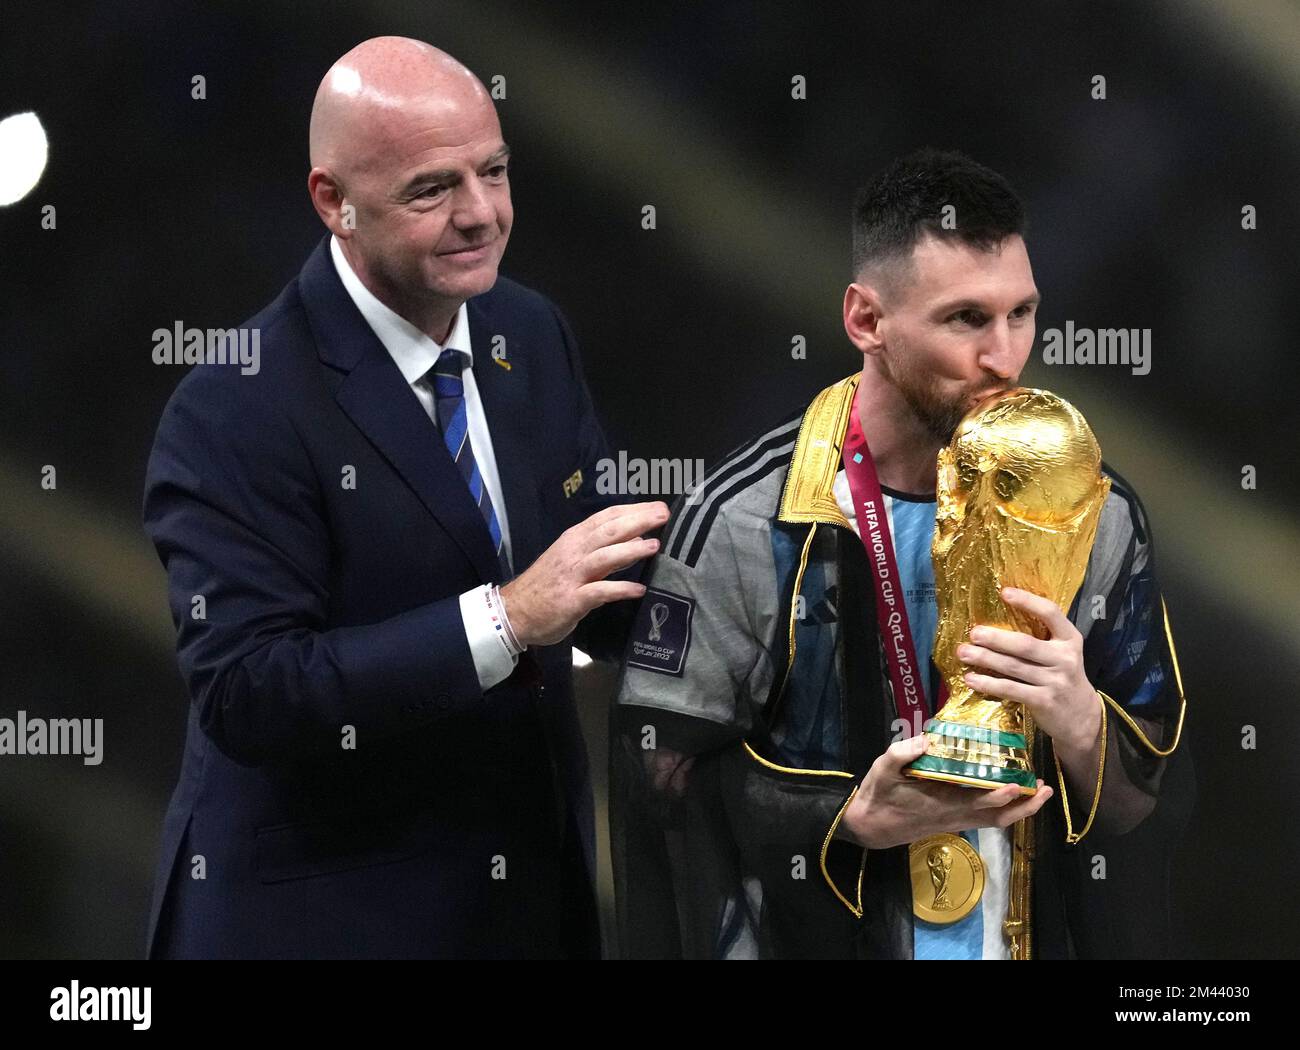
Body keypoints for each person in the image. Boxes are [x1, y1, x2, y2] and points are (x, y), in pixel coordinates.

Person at [142, 36, 666, 959]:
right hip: (325, 927)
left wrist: (787, 608)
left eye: (495, 171)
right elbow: (250, 690)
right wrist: (506, 617)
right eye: (432, 189)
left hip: (527, 909)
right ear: (332, 202)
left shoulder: (528, 331)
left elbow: (595, 584)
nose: (482, 215)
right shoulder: (233, 405)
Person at [611, 148, 1191, 960]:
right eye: (966, 319)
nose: (1005, 356)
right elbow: (655, 781)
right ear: (867, 320)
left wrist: (1086, 726)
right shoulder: (747, 520)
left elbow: (1163, 801)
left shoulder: (1096, 511)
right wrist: (843, 819)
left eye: (1021, 313)